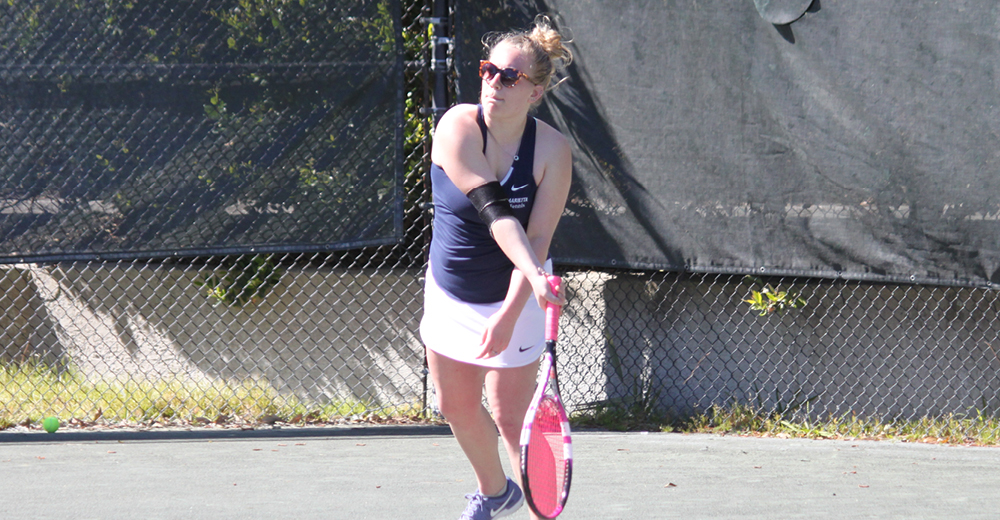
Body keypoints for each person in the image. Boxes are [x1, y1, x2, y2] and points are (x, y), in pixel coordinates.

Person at [419, 14, 573, 520]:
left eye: (510, 76)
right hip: (451, 289)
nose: (494, 83)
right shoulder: (456, 126)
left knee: (512, 416)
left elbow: (537, 237)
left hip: (517, 294)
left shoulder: (552, 150)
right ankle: (495, 491)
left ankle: (539, 510)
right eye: (489, 70)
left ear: (534, 91)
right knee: (455, 405)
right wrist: (535, 275)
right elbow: (495, 213)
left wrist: (514, 308)